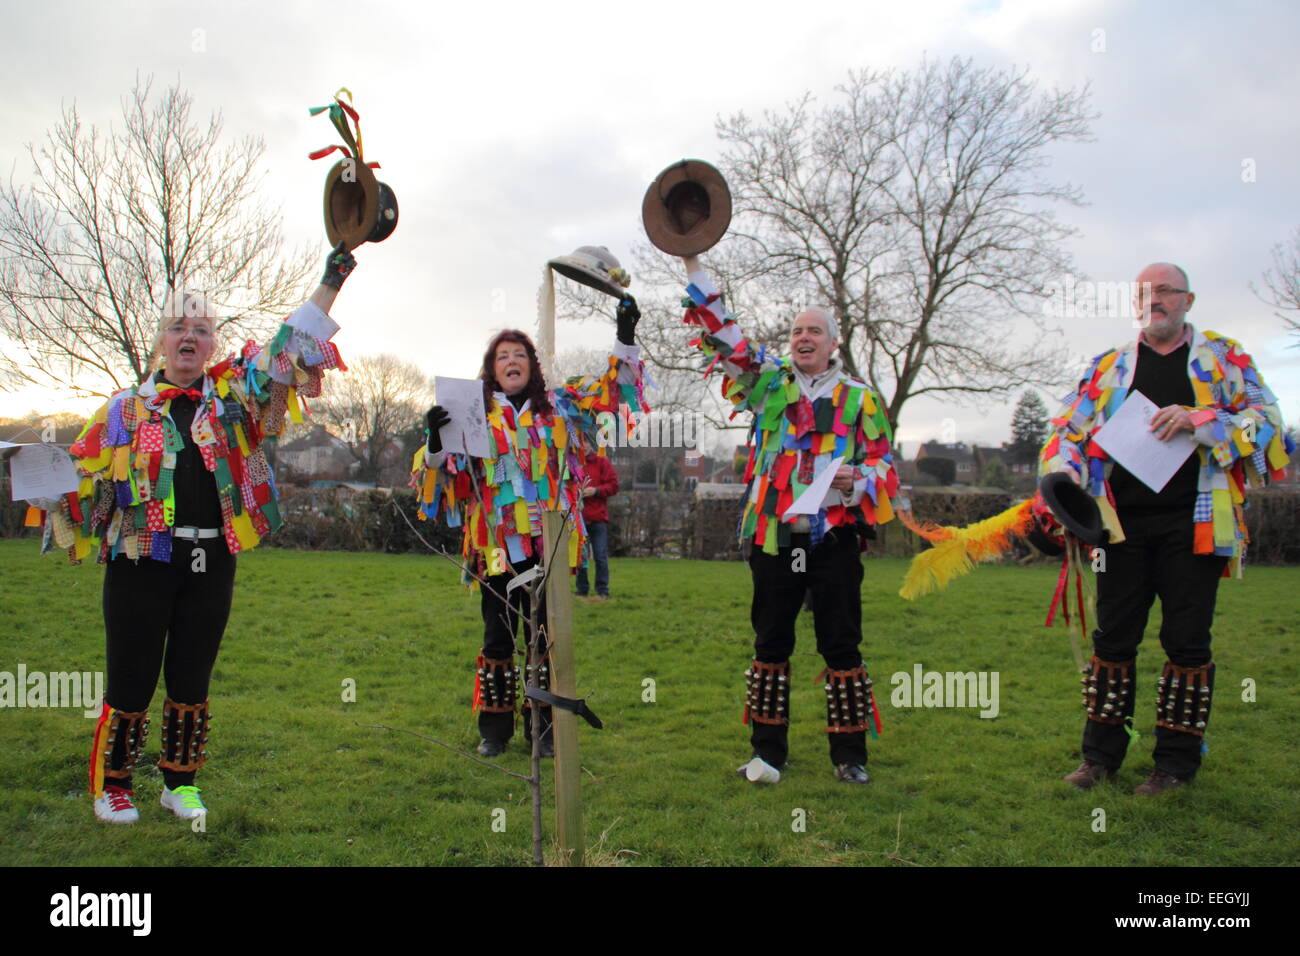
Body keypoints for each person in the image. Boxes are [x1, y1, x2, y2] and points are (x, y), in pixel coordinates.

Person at [40, 244, 357, 824]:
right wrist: (44, 483)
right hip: (140, 559)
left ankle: (179, 783)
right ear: (162, 340)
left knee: (192, 671)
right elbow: (78, 477)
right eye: (178, 327)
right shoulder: (123, 410)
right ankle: (113, 787)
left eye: (202, 329)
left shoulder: (234, 398)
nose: (189, 338)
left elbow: (288, 349)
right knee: (131, 674)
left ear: (213, 344)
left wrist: (329, 280)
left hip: (211, 557)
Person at [1042, 262, 1293, 795]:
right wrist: (1064, 466)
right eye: (1141, 293)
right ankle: (1098, 758)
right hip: (1120, 529)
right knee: (1112, 638)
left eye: (1163, 292)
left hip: (1194, 524)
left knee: (1187, 643)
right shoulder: (1108, 365)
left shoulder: (1225, 358)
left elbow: (1268, 424)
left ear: (1188, 300)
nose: (1151, 300)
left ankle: (1174, 768)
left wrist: (1204, 422)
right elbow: (1067, 429)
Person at [677, 254, 900, 785]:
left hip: (834, 538)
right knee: (771, 640)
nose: (804, 337)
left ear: (833, 344)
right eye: (798, 330)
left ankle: (850, 756)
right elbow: (727, 342)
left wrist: (858, 482)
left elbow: (885, 468)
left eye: (815, 331)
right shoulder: (768, 385)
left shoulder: (861, 400)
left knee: (841, 643)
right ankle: (767, 753)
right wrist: (694, 265)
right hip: (775, 537)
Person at [414, 297, 644, 758]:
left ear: (533, 366)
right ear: (491, 369)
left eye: (520, 354)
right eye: (503, 356)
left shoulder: (561, 406)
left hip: (551, 543)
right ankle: (493, 732)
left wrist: (624, 333)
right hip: (495, 545)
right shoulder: (473, 413)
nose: (512, 361)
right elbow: (437, 480)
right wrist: (435, 440)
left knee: (544, 636)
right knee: (498, 634)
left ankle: (544, 730)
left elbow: (615, 393)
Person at [575, 432, 619, 600]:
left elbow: (614, 486)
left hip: (598, 518)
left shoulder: (602, 463)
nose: (583, 445)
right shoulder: (574, 463)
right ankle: (582, 589)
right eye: (580, 442)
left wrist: (597, 491)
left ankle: (602, 590)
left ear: (592, 444)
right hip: (579, 519)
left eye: (586, 442)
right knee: (581, 556)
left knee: (600, 555)